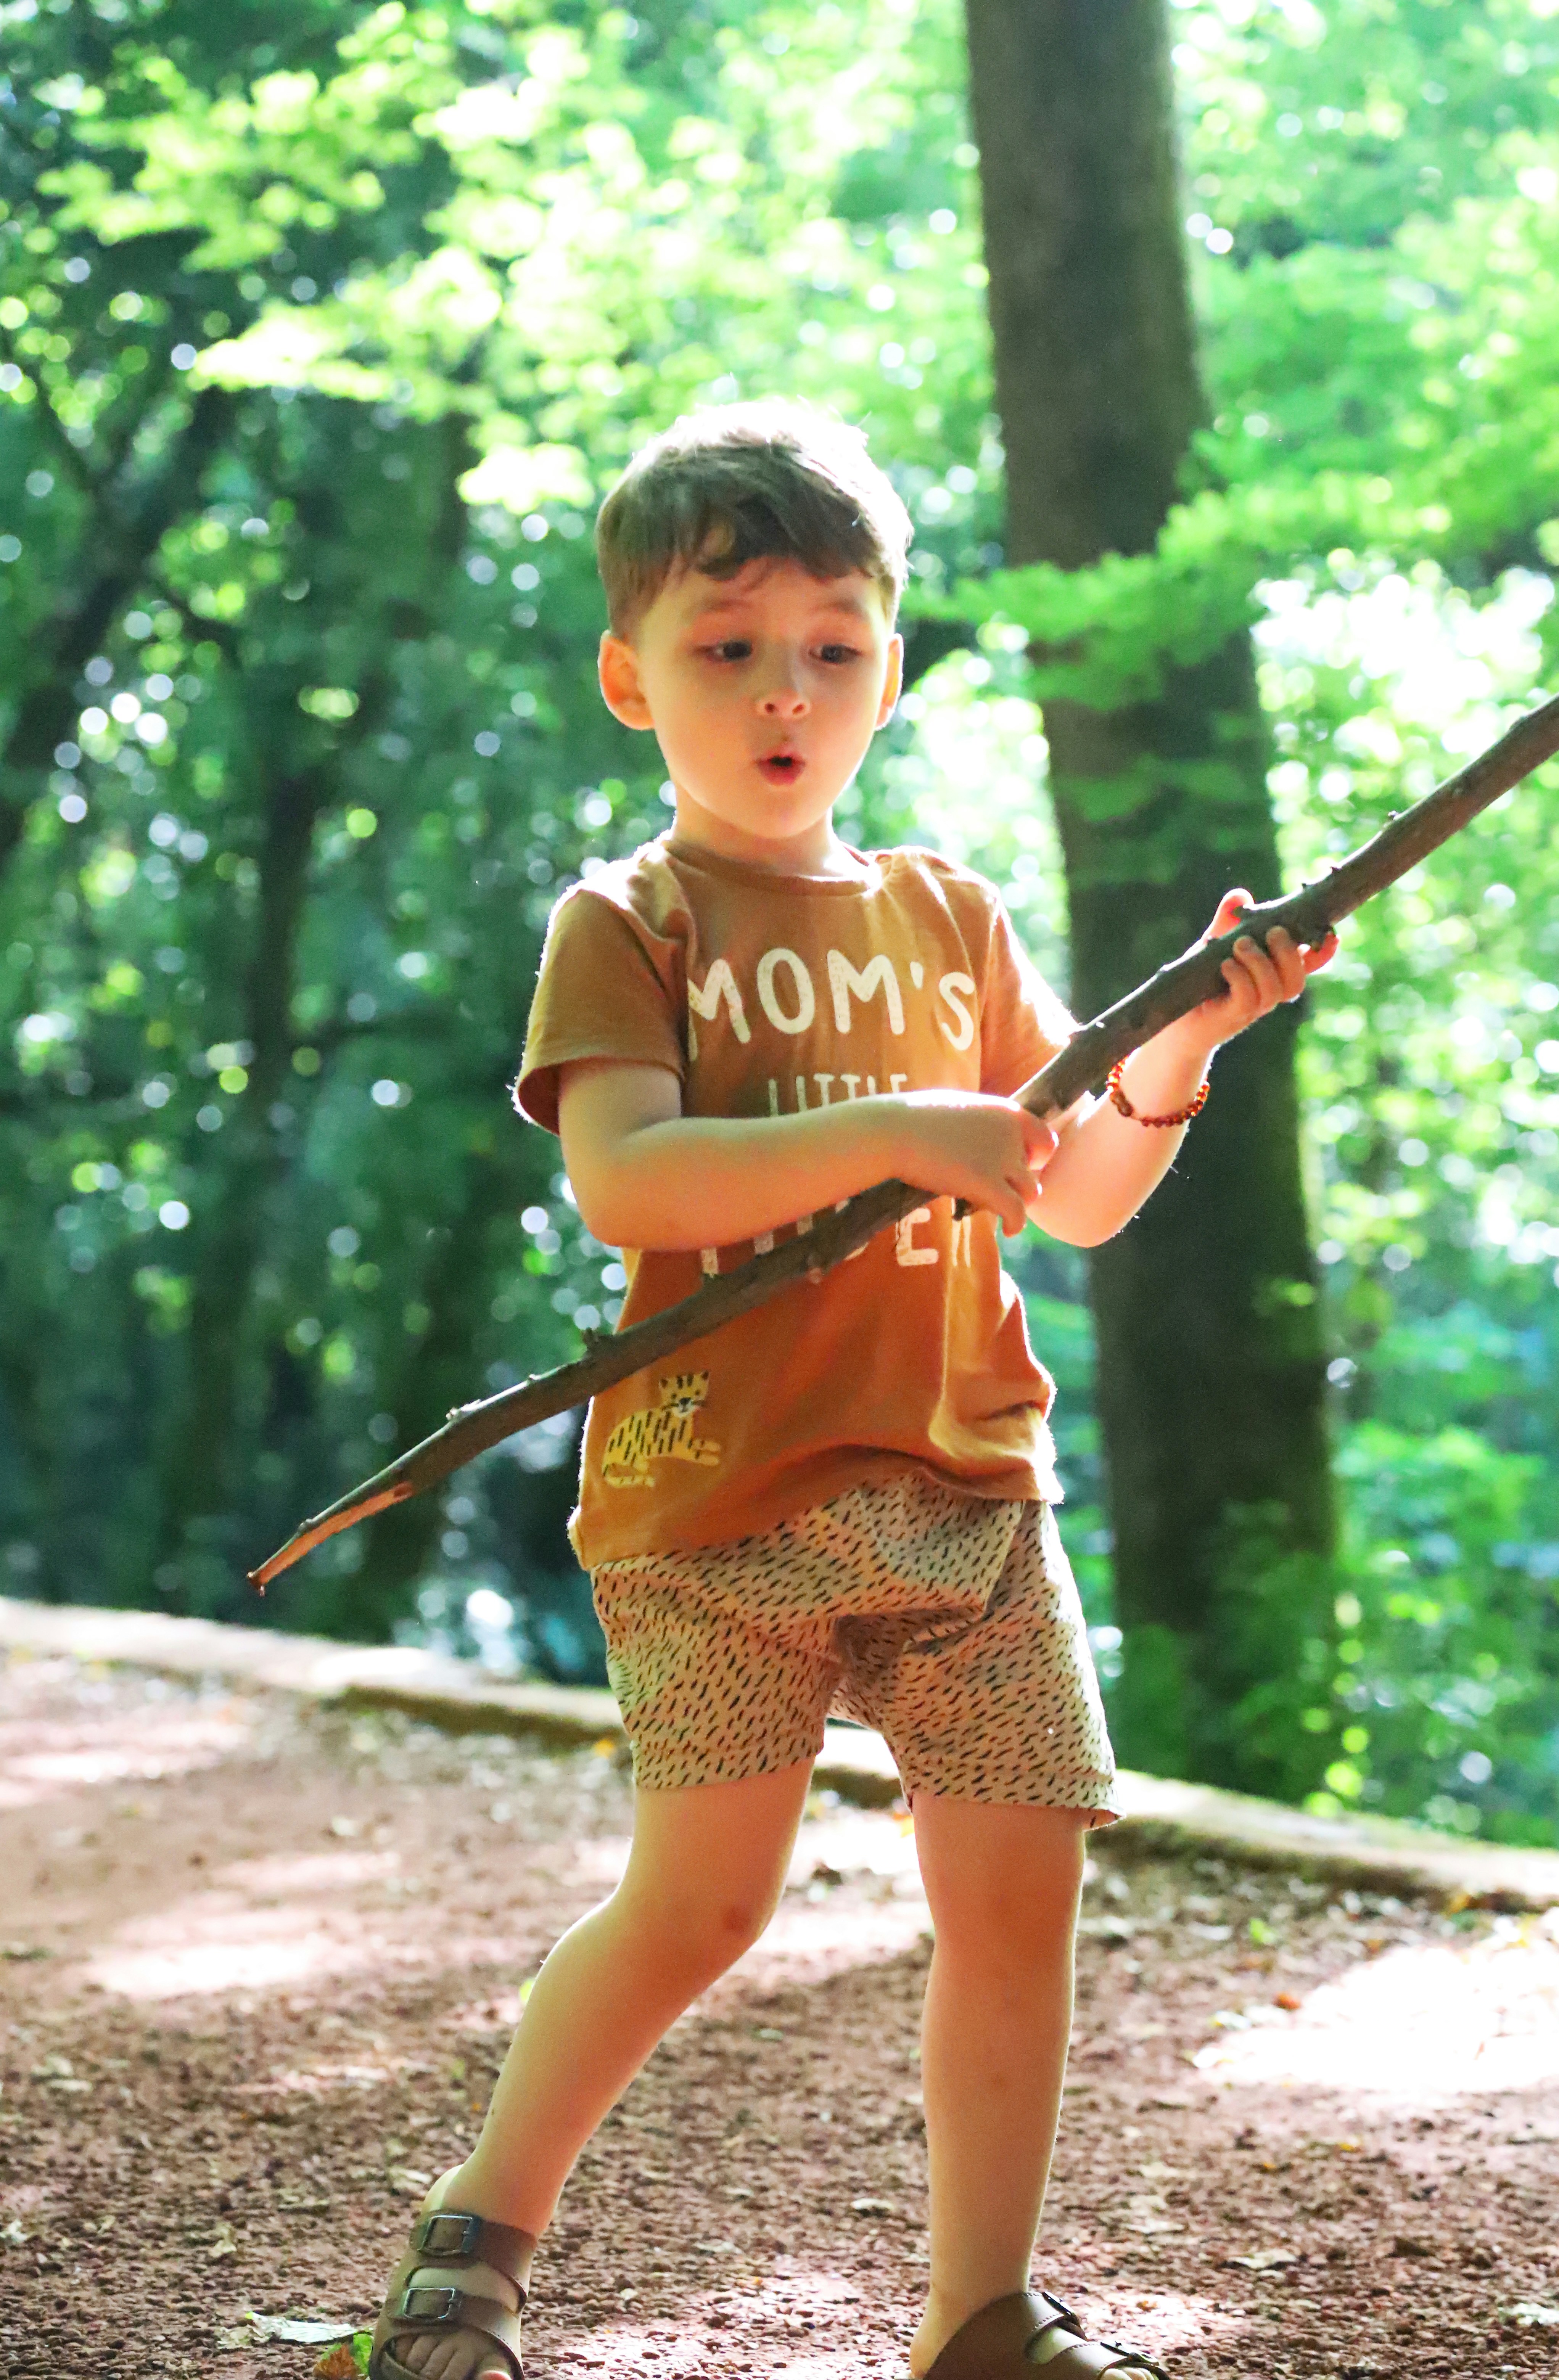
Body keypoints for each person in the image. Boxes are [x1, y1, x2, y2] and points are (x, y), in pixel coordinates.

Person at [370, 401, 1335, 2380]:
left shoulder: (948, 919)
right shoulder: (628, 927)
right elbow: (632, 1175)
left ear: (885, 667)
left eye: (830, 643)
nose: (782, 690)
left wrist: (1173, 1064)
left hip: (971, 1494)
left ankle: (983, 2317)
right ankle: (472, 2255)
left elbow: (1063, 1192)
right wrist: (899, 1124)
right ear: (634, 675)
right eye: (727, 648)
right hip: (717, 1512)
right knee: (700, 1910)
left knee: (1017, 1904)